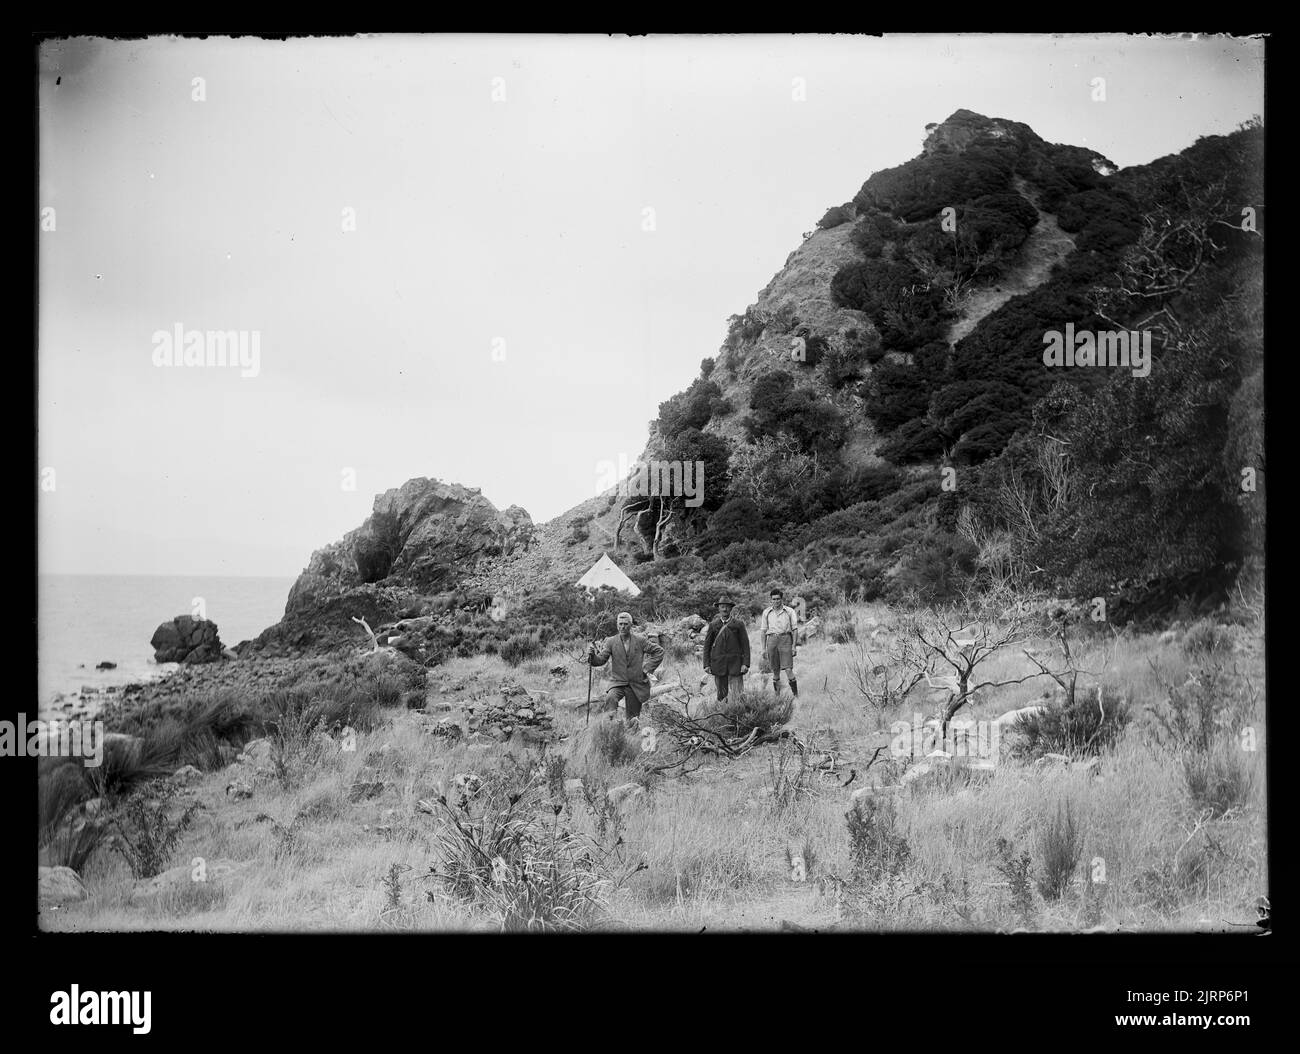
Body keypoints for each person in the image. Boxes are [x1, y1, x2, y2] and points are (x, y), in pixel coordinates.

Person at [587, 611, 664, 726]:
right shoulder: (611, 642)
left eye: (625, 624)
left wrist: (646, 669)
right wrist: (592, 657)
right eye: (620, 624)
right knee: (611, 698)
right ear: (617, 625)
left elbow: (659, 651)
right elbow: (601, 660)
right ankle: (611, 728)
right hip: (618, 683)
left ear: (631, 625)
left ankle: (631, 737)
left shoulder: (640, 640)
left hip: (636, 684)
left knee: (632, 720)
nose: (622, 627)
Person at [702, 595, 750, 702]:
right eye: (722, 606)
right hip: (719, 665)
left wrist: (745, 663)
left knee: (738, 696)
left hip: (736, 664)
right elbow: (707, 646)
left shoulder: (739, 624)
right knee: (721, 697)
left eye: (727, 606)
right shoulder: (713, 625)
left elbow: (745, 645)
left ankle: (738, 717)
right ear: (718, 608)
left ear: (731, 608)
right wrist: (706, 664)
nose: (724, 609)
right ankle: (723, 717)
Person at [760, 587, 800, 698]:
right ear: (771, 600)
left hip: (785, 639)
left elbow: (795, 629)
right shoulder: (767, 612)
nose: (776, 601)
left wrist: (794, 646)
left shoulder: (789, 611)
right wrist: (763, 648)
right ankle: (777, 696)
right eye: (774, 599)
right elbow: (763, 631)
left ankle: (796, 695)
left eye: (778, 599)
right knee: (775, 670)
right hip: (772, 640)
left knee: (788, 669)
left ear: (782, 599)